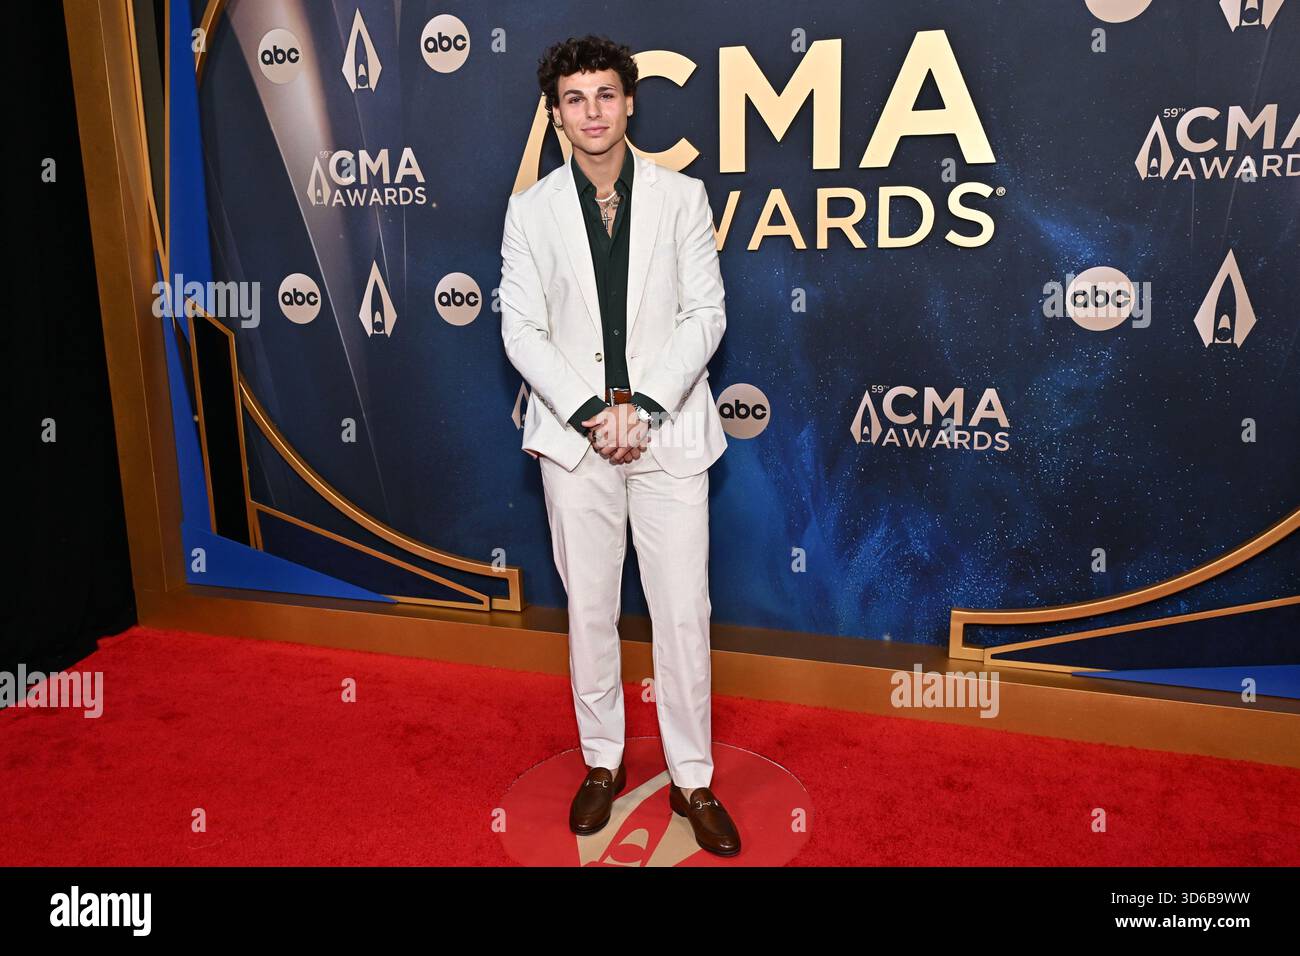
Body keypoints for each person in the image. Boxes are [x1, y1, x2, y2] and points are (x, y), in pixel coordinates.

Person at [498, 34, 737, 856]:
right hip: (576, 443)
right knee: (591, 611)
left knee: (680, 613)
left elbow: (706, 314)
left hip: (669, 437)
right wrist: (594, 411)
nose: (592, 112)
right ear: (556, 112)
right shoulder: (530, 211)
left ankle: (692, 777)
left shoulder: (683, 197)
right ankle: (601, 762)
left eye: (606, 94)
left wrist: (649, 404)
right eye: (575, 98)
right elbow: (521, 330)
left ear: (630, 102)